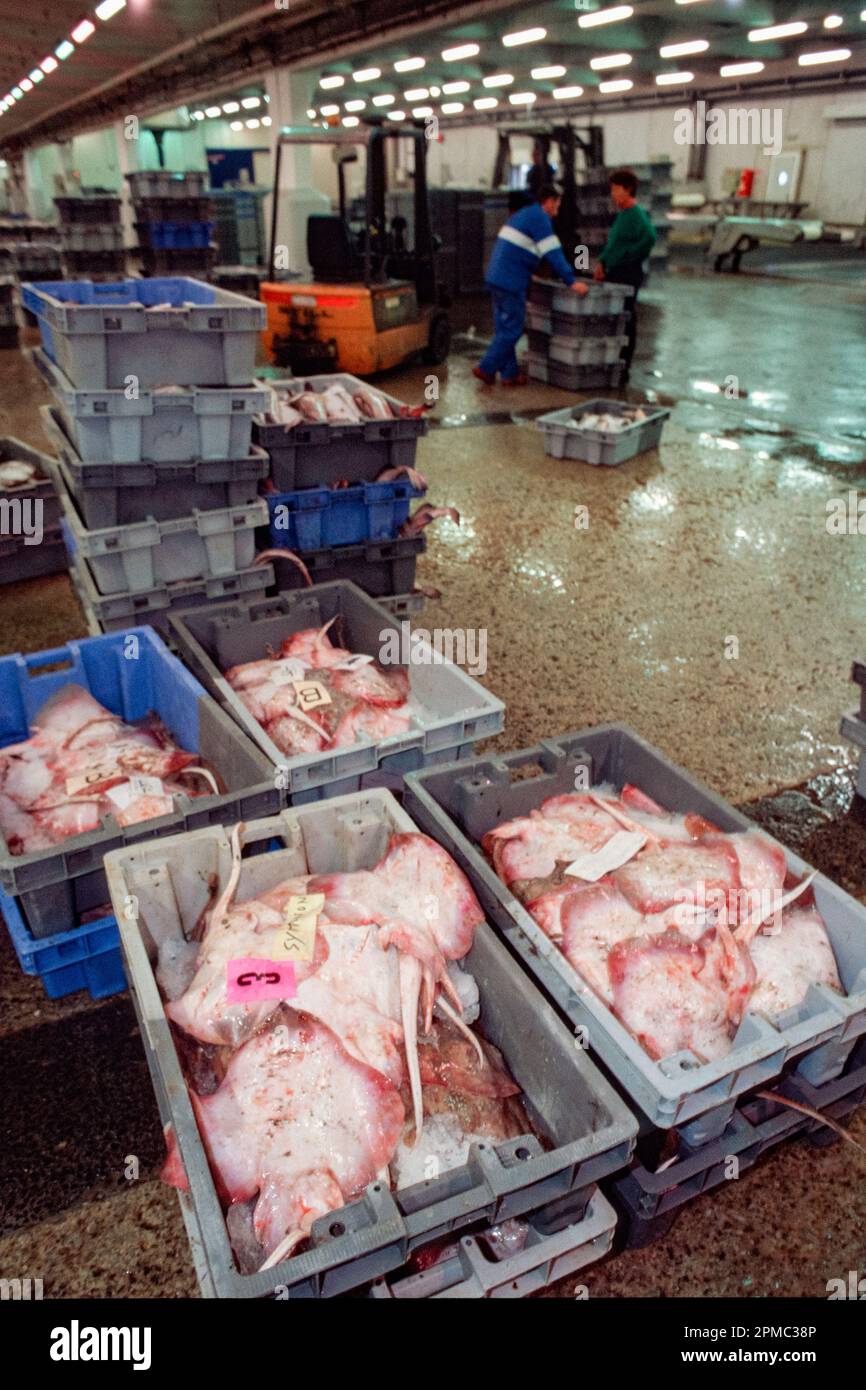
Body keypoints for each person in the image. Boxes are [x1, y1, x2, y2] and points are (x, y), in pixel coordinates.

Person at [474, 183, 588, 387]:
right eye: (557, 205)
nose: (557, 211)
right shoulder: (540, 218)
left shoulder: (524, 214)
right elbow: (553, 252)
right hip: (511, 281)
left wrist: (531, 272)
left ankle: (509, 375)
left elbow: (519, 249)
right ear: (550, 202)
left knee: (504, 329)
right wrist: (572, 281)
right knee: (513, 330)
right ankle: (486, 367)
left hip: (496, 277)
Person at [593, 167, 656, 382]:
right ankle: (613, 362)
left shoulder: (636, 215)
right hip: (615, 271)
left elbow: (649, 237)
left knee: (625, 319)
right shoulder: (623, 215)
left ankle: (623, 366)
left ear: (628, 190)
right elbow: (614, 244)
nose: (613, 194)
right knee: (614, 319)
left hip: (627, 273)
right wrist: (602, 262)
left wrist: (629, 257)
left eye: (616, 189)